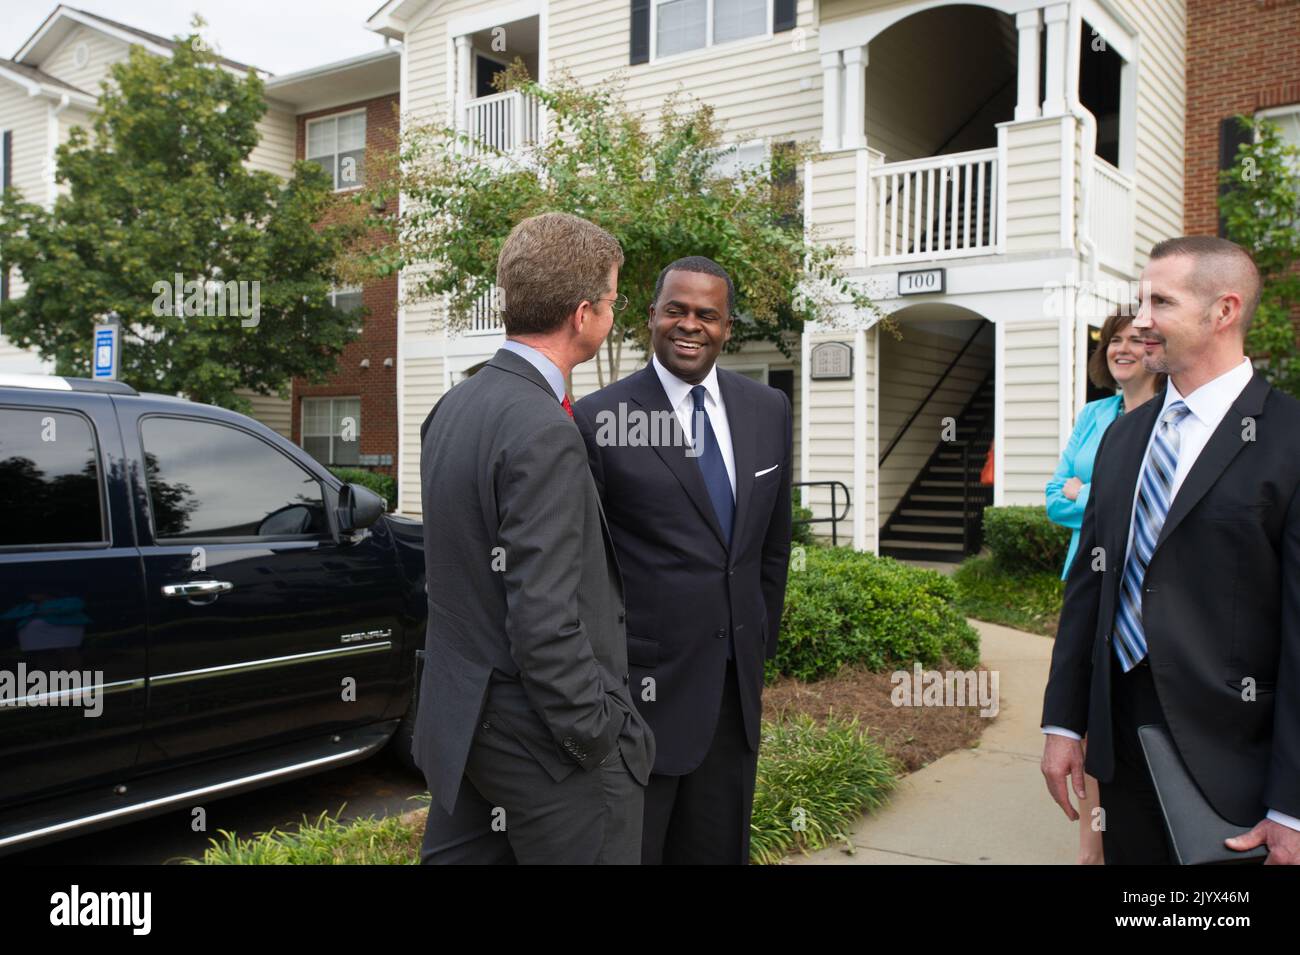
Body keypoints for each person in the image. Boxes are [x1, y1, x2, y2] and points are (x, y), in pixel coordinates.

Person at [1041, 235, 1300, 865]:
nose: (1142, 320)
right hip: (1119, 742)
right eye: (1140, 300)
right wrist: (1064, 723)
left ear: (1224, 310)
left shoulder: (1289, 439)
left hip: (1235, 757)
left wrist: (1291, 805)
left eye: (1161, 302)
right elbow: (1090, 589)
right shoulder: (1124, 436)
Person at [415, 211, 654, 864]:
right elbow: (544, 618)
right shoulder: (542, 428)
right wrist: (597, 734)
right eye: (610, 297)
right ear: (583, 314)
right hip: (548, 748)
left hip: (464, 727)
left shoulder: (453, 406)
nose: (613, 308)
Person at [573, 256, 793, 864]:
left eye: (706, 315)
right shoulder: (600, 420)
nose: (689, 325)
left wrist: (756, 645)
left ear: (727, 327)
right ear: (651, 318)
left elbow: (771, 548)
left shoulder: (767, 410)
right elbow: (586, 569)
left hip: (732, 693)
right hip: (641, 698)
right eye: (676, 310)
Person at [1044, 310, 1163, 865]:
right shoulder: (1095, 416)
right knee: (1089, 716)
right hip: (1088, 579)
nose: (1122, 349)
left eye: (1135, 340)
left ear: (1156, 351)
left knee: (1128, 719)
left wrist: (1087, 487)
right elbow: (1053, 498)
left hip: (1142, 595)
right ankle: (1092, 845)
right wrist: (1101, 492)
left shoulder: (1172, 418)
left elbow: (1149, 507)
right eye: (1113, 341)